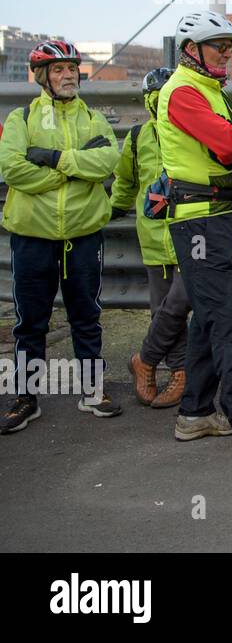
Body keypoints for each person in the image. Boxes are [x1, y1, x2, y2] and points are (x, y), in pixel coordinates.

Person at [156, 10, 232, 463]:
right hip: (198, 220)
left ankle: (194, 414)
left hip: (218, 215)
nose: (228, 53)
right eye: (219, 46)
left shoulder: (210, 91)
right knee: (227, 321)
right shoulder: (184, 93)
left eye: (231, 46)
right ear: (192, 50)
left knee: (207, 318)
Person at [0, 40, 122, 433]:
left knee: (86, 315)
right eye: (58, 70)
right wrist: (72, 172)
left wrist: (53, 160)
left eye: (72, 69)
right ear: (41, 77)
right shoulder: (21, 118)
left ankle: (92, 390)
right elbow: (12, 169)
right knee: (30, 321)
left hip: (83, 235)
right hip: (32, 236)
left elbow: (107, 161)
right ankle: (25, 397)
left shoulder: (94, 119)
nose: (68, 75)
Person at [115, 66, 192, 409]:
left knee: (178, 303)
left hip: (189, 232)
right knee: (162, 309)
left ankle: (144, 359)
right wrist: (113, 208)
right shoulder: (136, 138)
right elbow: (126, 182)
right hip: (152, 235)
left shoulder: (191, 132)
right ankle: (179, 372)